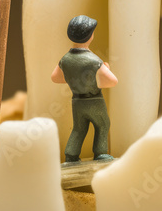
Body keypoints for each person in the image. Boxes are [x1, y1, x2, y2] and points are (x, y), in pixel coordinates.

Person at [51, 15, 118, 162]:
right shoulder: (94, 61)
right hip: (94, 100)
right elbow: (112, 81)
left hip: (77, 101)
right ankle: (100, 153)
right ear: (89, 36)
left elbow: (55, 78)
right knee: (103, 124)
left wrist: (72, 79)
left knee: (79, 128)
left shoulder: (65, 59)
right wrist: (105, 69)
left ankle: (71, 155)